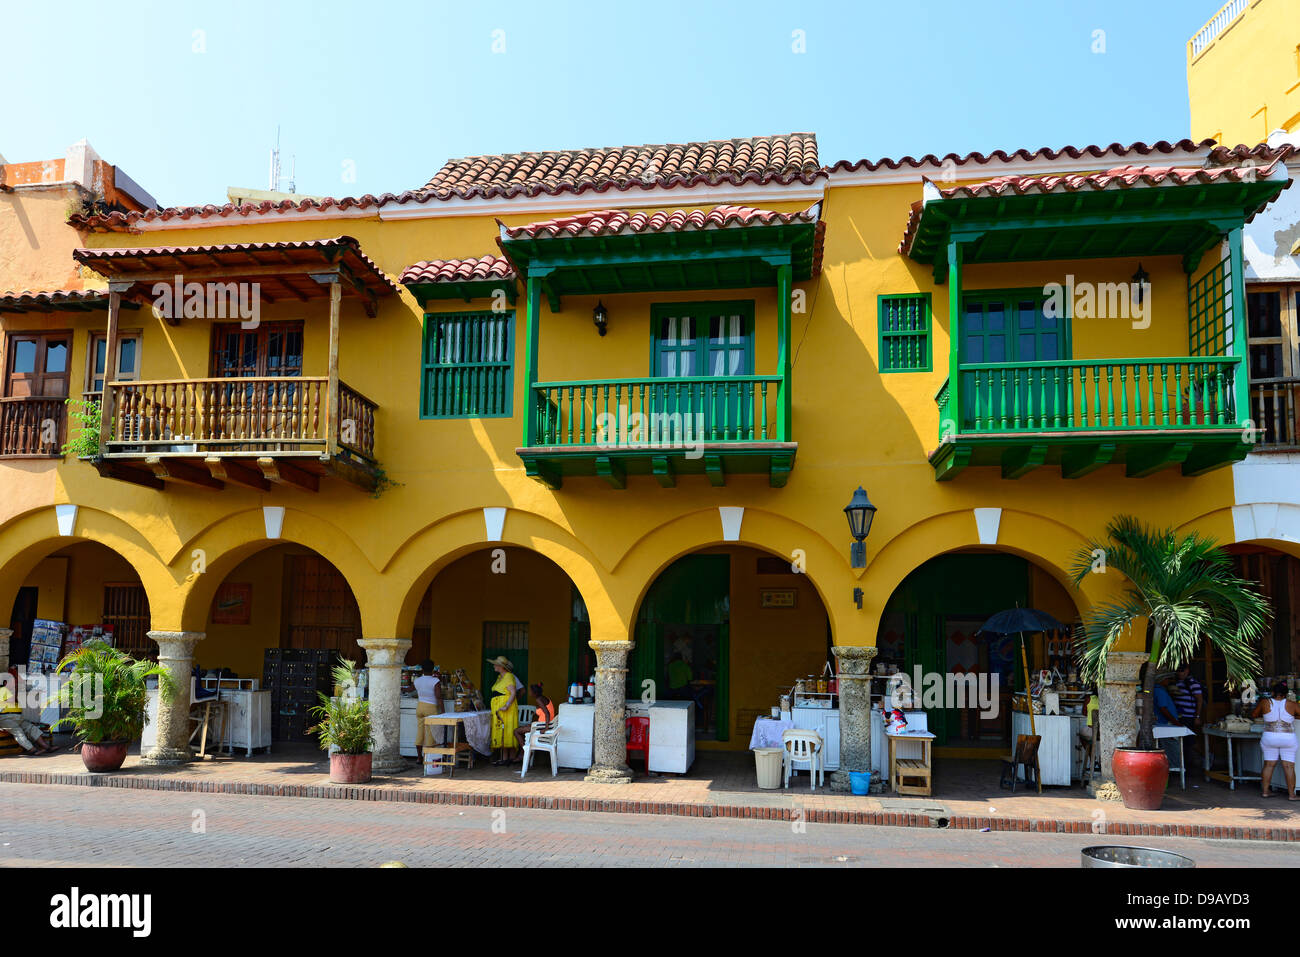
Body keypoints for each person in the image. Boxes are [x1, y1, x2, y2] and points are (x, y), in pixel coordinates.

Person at [1251, 681, 1299, 800]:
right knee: (1289, 766)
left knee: (1268, 764)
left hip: (1269, 737)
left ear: (1272, 693)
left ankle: (1266, 792)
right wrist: (1293, 716)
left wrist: (1265, 715)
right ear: (1286, 694)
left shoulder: (1264, 702)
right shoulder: (1292, 704)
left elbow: (1254, 714)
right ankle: (1292, 795)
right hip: (1287, 737)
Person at [0, 675, 56, 755]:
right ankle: (32, 750)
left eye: (15, 682)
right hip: (6, 718)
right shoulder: (3, 690)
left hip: (17, 718)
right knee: (18, 732)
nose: (15, 684)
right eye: (12, 682)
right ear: (5, 683)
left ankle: (46, 747)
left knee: (31, 728)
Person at [487, 656, 522, 766]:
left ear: (501, 667)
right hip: (498, 708)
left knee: (506, 730)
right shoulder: (500, 677)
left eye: (495, 664)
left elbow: (513, 693)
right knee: (501, 730)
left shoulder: (509, 677)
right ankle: (504, 758)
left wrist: (506, 705)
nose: (494, 666)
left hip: (506, 709)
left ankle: (508, 758)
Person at [1172, 664, 1206, 768]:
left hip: (1189, 717)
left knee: (1190, 742)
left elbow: (1199, 699)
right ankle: (1185, 764)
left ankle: (1205, 758)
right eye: (1178, 671)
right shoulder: (1178, 683)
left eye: (1181, 671)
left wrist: (1197, 717)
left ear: (1187, 671)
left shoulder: (1192, 683)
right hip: (1180, 716)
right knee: (1184, 742)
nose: (1179, 673)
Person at [512, 683, 556, 758]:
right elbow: (544, 711)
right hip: (541, 724)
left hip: (541, 726)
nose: (529, 693)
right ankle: (522, 753)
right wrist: (536, 712)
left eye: (530, 691)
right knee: (524, 729)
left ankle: (526, 752)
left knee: (516, 731)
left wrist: (546, 728)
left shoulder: (538, 700)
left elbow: (547, 713)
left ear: (534, 692)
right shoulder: (544, 698)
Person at [412, 660, 441, 761]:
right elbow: (438, 697)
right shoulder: (435, 681)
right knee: (430, 733)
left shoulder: (417, 680)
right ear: (433, 669)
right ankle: (428, 758)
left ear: (422, 669)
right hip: (431, 707)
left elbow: (411, 689)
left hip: (420, 707)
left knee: (420, 732)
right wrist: (443, 711)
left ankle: (419, 758)